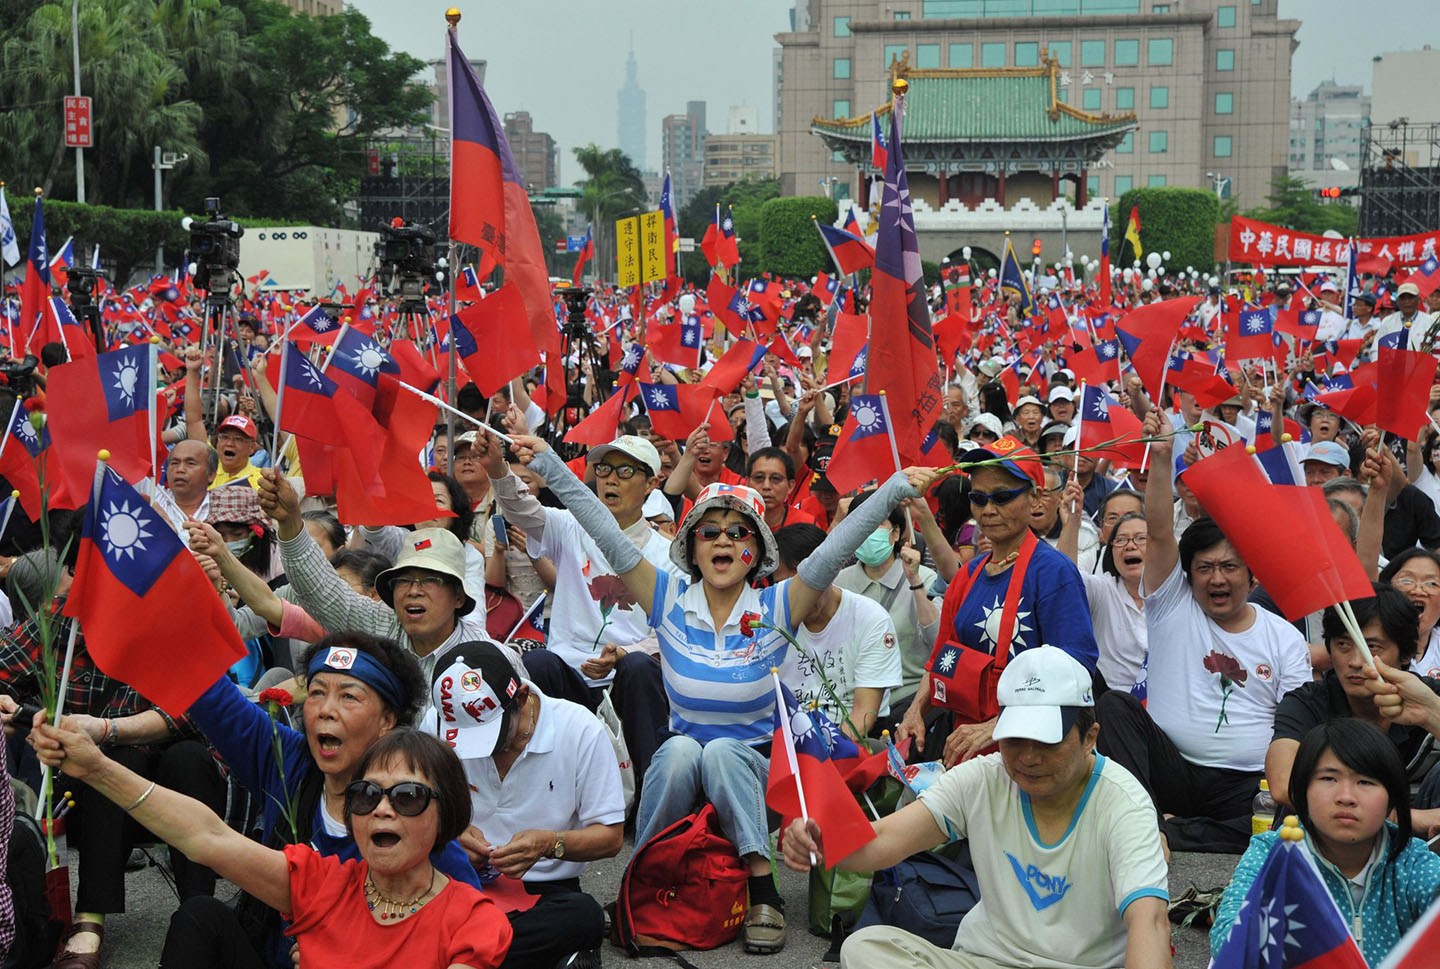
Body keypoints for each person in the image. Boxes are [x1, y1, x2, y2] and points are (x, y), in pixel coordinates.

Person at [502, 429, 936, 954]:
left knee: (724, 751)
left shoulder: (778, 605)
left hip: (756, 771)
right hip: (682, 764)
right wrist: (549, 465)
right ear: (691, 546)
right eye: (710, 532)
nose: (724, 540)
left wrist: (892, 492)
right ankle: (642, 879)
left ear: (755, 550)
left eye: (738, 532)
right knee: (683, 748)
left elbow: (837, 548)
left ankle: (763, 887)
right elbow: (604, 531)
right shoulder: (665, 597)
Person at [781, 647, 1172, 969]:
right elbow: (883, 839)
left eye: (1046, 740)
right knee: (864, 948)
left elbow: (1150, 921)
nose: (1028, 757)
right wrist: (819, 843)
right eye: (1015, 739)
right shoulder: (984, 779)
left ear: (1090, 737)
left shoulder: (1124, 801)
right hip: (984, 960)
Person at [31, 720, 513, 969]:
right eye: (366, 794)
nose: (382, 809)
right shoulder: (326, 882)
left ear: (446, 812)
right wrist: (95, 767)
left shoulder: (471, 920)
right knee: (200, 916)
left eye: (407, 796)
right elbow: (206, 835)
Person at [1096, 409, 1311, 853]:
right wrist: (1160, 459)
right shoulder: (1172, 604)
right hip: (1172, 768)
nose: (1218, 579)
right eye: (1206, 568)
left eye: (1230, 567)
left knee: (1289, 819)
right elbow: (1157, 533)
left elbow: (1296, 722)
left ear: (1253, 576)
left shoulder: (1283, 636)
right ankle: (1147, 821)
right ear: (1188, 576)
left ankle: (1172, 833)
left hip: (1248, 783)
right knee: (1115, 706)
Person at [0, 549, 227, 969]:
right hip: (91, 784)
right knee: (115, 759)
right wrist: (13, 710)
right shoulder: (59, 619)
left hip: (173, 767)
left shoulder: (171, 616)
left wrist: (105, 729)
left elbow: (186, 711)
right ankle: (90, 919)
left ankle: (200, 914)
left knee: (187, 757)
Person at [474, 429, 672, 803]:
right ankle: (534, 796)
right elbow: (523, 511)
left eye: (626, 471)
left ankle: (651, 802)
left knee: (641, 669)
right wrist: (498, 468)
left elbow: (671, 630)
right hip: (570, 670)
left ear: (651, 483)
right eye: (605, 469)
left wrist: (625, 655)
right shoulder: (569, 526)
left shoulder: (667, 553)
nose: (611, 478)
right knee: (537, 663)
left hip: (627, 673)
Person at [896, 436, 1098, 768]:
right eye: (979, 498)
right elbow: (941, 659)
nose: (989, 510)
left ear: (1034, 497)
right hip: (964, 748)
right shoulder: (968, 576)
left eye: (1002, 497)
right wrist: (917, 709)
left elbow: (1076, 667)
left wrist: (998, 726)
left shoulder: (1053, 573)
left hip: (1032, 753)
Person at [428, 641, 624, 969]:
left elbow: (610, 836)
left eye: (490, 734)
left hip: (545, 888)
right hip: (455, 878)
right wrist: (451, 833)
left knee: (584, 916)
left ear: (520, 698)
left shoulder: (579, 729)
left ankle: (460, 953)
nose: (485, 752)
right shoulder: (438, 720)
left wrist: (551, 844)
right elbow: (416, 809)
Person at [1212, 719, 1440, 967]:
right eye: (1329, 778)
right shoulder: (1275, 852)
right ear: (1302, 788)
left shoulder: (1410, 860)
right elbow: (1229, 935)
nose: (1346, 797)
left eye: (1365, 782)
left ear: (1392, 798)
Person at [258, 469, 514, 684]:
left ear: (459, 596)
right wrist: (291, 522)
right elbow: (322, 590)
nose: (414, 590)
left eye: (430, 579)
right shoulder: (380, 623)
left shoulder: (486, 658)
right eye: (403, 579)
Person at [1266, 587, 1440, 834]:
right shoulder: (1306, 702)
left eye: (1373, 647)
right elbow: (1284, 786)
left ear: (1406, 653)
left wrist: (1433, 715)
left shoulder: (1427, 696)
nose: (1356, 661)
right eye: (1343, 645)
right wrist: (1411, 819)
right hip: (1324, 841)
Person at [772, 523, 901, 740]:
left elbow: (864, 715)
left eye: (805, 583)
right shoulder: (769, 616)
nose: (797, 594)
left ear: (830, 572)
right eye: (785, 584)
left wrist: (820, 753)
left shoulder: (870, 618)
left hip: (849, 740)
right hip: (785, 739)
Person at [834, 492, 941, 727]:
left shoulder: (926, 578)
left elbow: (938, 643)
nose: (867, 531)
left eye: (876, 523)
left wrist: (915, 582)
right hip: (851, 706)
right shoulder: (838, 584)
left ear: (895, 532)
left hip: (905, 703)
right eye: (861, 524)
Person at [1060, 487, 1149, 700]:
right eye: (1121, 540)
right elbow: (1065, 577)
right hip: (1111, 703)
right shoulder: (1102, 589)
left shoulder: (1175, 593)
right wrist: (1072, 523)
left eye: (1140, 538)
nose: (1130, 546)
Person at [209, 415, 265, 490]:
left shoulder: (261, 481)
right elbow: (194, 423)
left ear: (251, 447)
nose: (229, 443)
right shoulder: (206, 472)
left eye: (238, 439)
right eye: (225, 437)